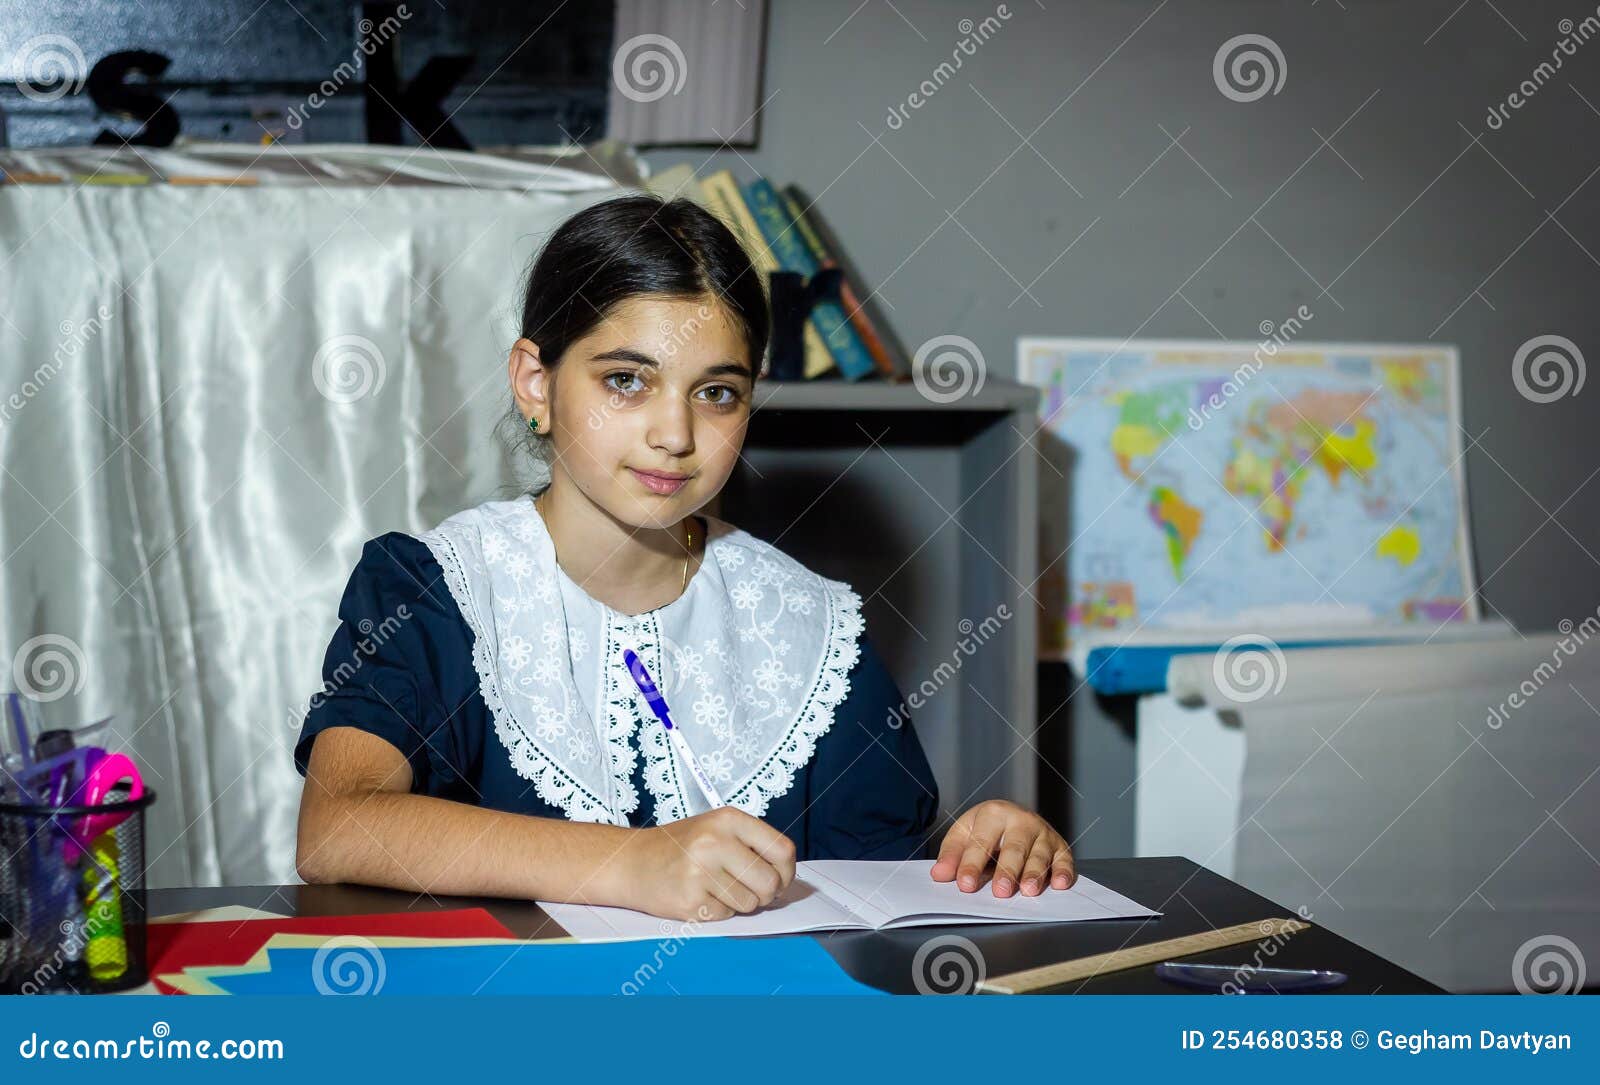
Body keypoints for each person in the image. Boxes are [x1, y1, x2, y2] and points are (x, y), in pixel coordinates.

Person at [293, 193, 1076, 921]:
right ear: (535, 382)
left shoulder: (812, 626)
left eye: (717, 393)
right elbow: (338, 828)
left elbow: (876, 885)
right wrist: (631, 862)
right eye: (626, 380)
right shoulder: (435, 588)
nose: (675, 434)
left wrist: (977, 847)